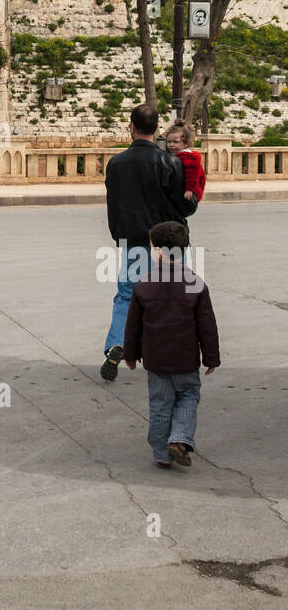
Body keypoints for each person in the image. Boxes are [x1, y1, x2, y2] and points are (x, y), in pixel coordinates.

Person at [100, 104, 197, 382]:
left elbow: (114, 206)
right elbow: (184, 207)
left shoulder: (116, 163)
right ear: (157, 130)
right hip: (168, 242)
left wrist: (120, 235)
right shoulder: (171, 162)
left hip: (134, 241)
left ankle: (117, 343)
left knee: (127, 296)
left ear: (131, 127)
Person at [123, 219, 220, 468]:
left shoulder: (144, 285)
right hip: (186, 360)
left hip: (156, 360)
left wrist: (131, 355)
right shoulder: (196, 284)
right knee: (188, 396)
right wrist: (211, 358)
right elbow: (207, 326)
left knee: (160, 404)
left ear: (156, 251)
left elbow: (133, 325)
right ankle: (179, 439)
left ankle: (161, 454)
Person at [165, 119, 206, 203]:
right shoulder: (176, 155)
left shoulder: (188, 156)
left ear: (186, 144)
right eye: (169, 141)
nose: (171, 145)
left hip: (191, 191)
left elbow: (192, 175)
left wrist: (189, 190)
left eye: (175, 142)